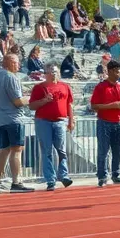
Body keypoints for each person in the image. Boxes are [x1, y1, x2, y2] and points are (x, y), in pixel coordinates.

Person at [0, 52, 33, 193]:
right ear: (9, 62)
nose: (19, 65)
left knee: (4, 151)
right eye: (16, 62)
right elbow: (18, 101)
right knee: (16, 150)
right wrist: (30, 98)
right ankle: (16, 181)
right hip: (13, 118)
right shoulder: (10, 77)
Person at [27, 62, 74, 190]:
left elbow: (69, 104)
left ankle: (64, 175)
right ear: (45, 74)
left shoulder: (65, 86)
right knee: (47, 151)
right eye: (51, 72)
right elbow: (31, 106)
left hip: (60, 120)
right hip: (43, 121)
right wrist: (44, 101)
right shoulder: (39, 88)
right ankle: (50, 179)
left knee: (61, 150)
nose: (53, 74)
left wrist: (71, 120)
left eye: (55, 71)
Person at [90, 60, 120, 186]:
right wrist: (113, 105)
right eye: (118, 70)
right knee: (103, 151)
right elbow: (93, 106)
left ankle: (116, 174)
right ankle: (102, 176)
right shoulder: (100, 87)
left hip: (119, 122)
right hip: (104, 122)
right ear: (111, 71)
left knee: (117, 150)